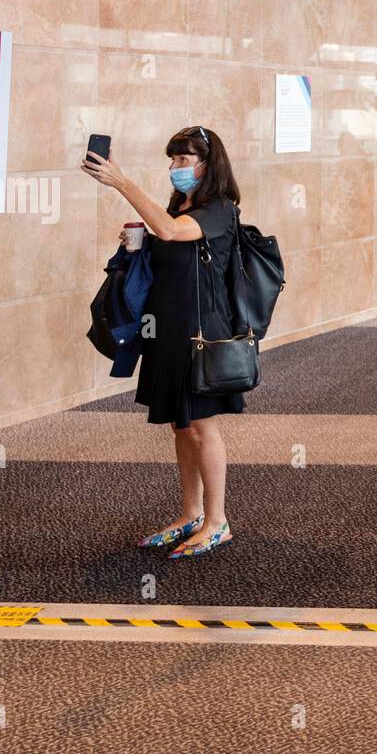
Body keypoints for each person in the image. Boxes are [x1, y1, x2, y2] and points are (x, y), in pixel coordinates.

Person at [83, 126, 243, 558]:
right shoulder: (178, 204)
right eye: (172, 160)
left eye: (184, 160)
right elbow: (165, 243)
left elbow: (173, 232)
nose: (175, 169)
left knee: (203, 425)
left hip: (201, 333)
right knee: (180, 422)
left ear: (208, 165)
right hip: (167, 328)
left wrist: (121, 182)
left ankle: (218, 520)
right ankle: (191, 512)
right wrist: (135, 247)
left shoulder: (219, 210)